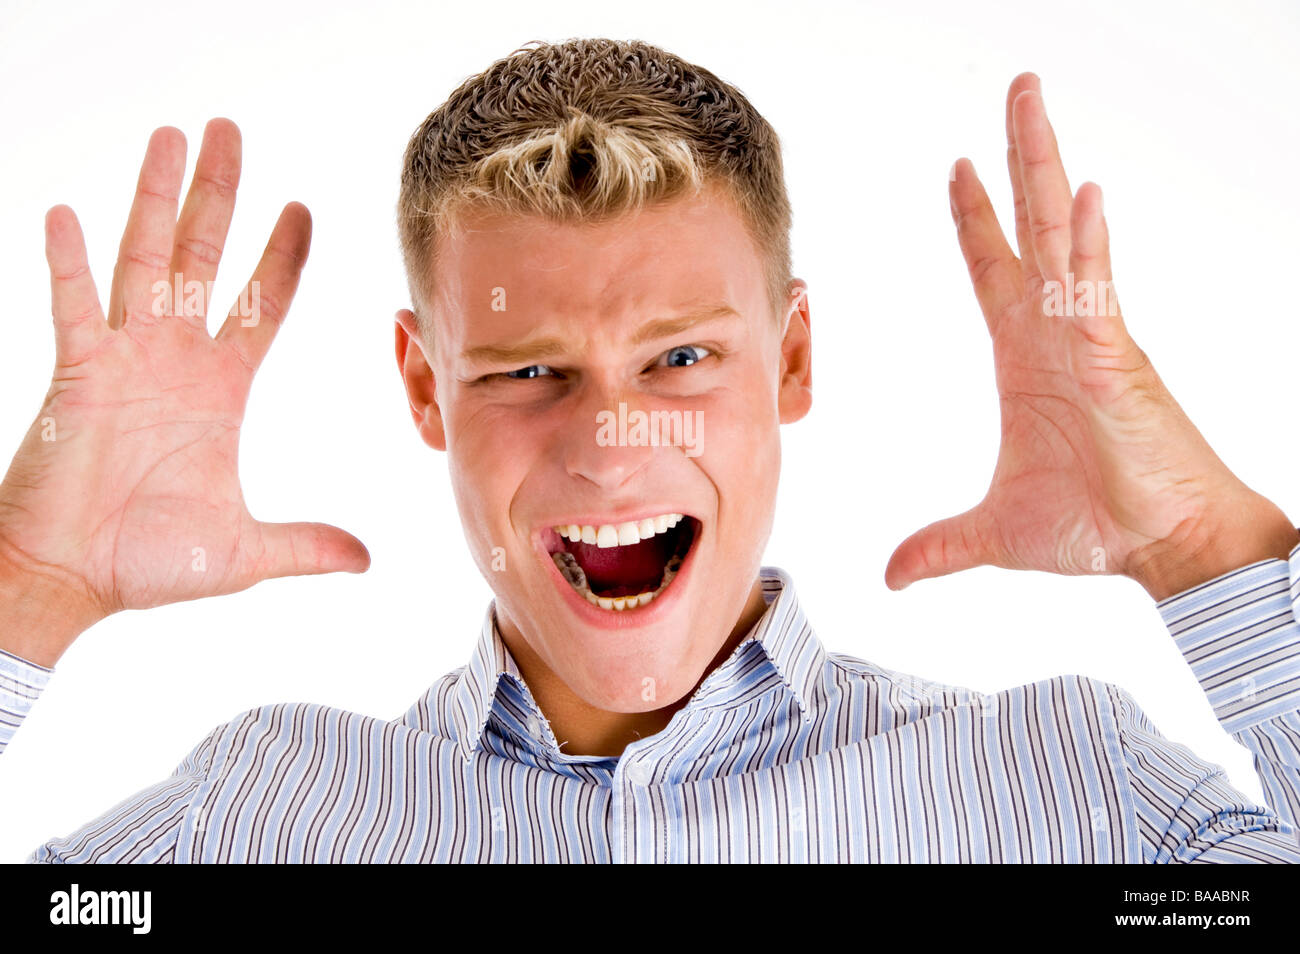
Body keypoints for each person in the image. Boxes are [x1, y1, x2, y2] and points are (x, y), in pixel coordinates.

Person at [1, 37, 1296, 862]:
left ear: (791, 360)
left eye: (680, 359)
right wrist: (26, 589)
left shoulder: (1069, 791)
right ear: (423, 386)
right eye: (528, 370)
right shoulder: (259, 818)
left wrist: (1209, 549)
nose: (610, 445)